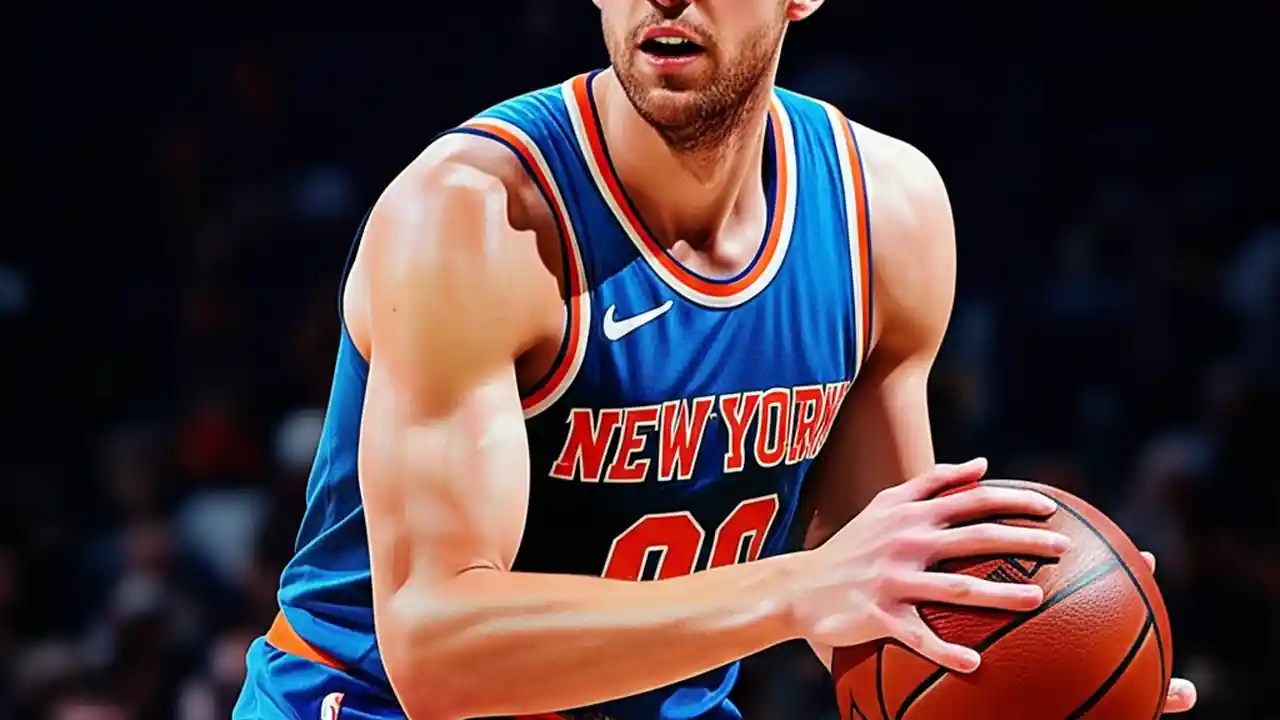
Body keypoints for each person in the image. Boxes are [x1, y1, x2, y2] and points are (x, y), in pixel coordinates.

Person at [234, 1, 1198, 718]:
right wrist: (795, 589)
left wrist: (1040, 673)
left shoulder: (886, 215)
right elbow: (435, 648)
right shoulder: (476, 217)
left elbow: (891, 606)